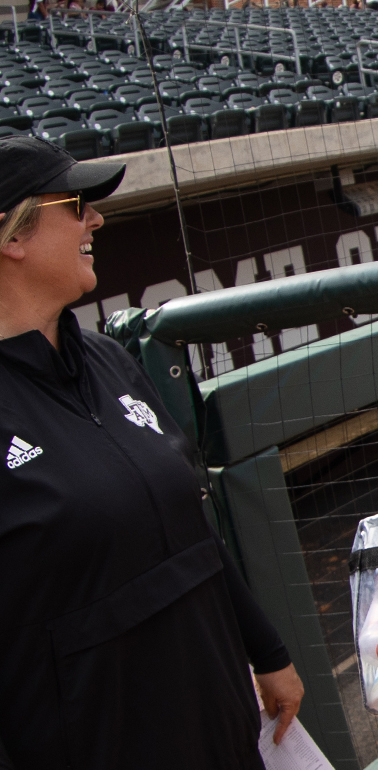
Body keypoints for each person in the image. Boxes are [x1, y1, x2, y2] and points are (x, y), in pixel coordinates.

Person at [0, 136, 306, 769]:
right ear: (12, 235)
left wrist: (266, 650)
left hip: (217, 712)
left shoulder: (108, 359)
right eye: (75, 203)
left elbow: (192, 527)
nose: (96, 218)